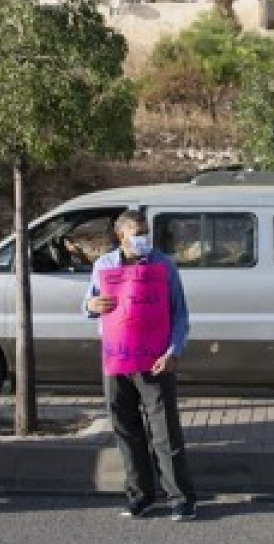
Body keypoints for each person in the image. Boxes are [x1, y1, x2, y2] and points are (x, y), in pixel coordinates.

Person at [84, 210, 197, 521]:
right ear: (121, 236)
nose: (143, 238)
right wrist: (91, 306)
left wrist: (173, 352)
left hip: (156, 360)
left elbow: (180, 315)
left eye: (146, 232)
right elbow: (89, 304)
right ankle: (141, 495)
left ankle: (181, 498)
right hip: (117, 360)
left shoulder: (164, 266)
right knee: (126, 429)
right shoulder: (103, 266)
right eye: (137, 232)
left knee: (164, 431)